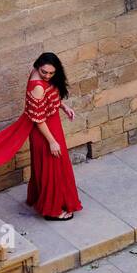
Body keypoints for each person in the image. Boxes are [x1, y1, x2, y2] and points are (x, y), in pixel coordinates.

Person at [24, 52, 82, 221]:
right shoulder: (38, 86)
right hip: (45, 131)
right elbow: (38, 119)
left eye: (51, 73)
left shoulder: (39, 77)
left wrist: (63, 106)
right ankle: (52, 210)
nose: (47, 76)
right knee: (52, 169)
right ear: (37, 67)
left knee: (53, 168)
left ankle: (45, 201)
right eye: (44, 72)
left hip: (52, 124)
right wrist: (52, 142)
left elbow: (48, 97)